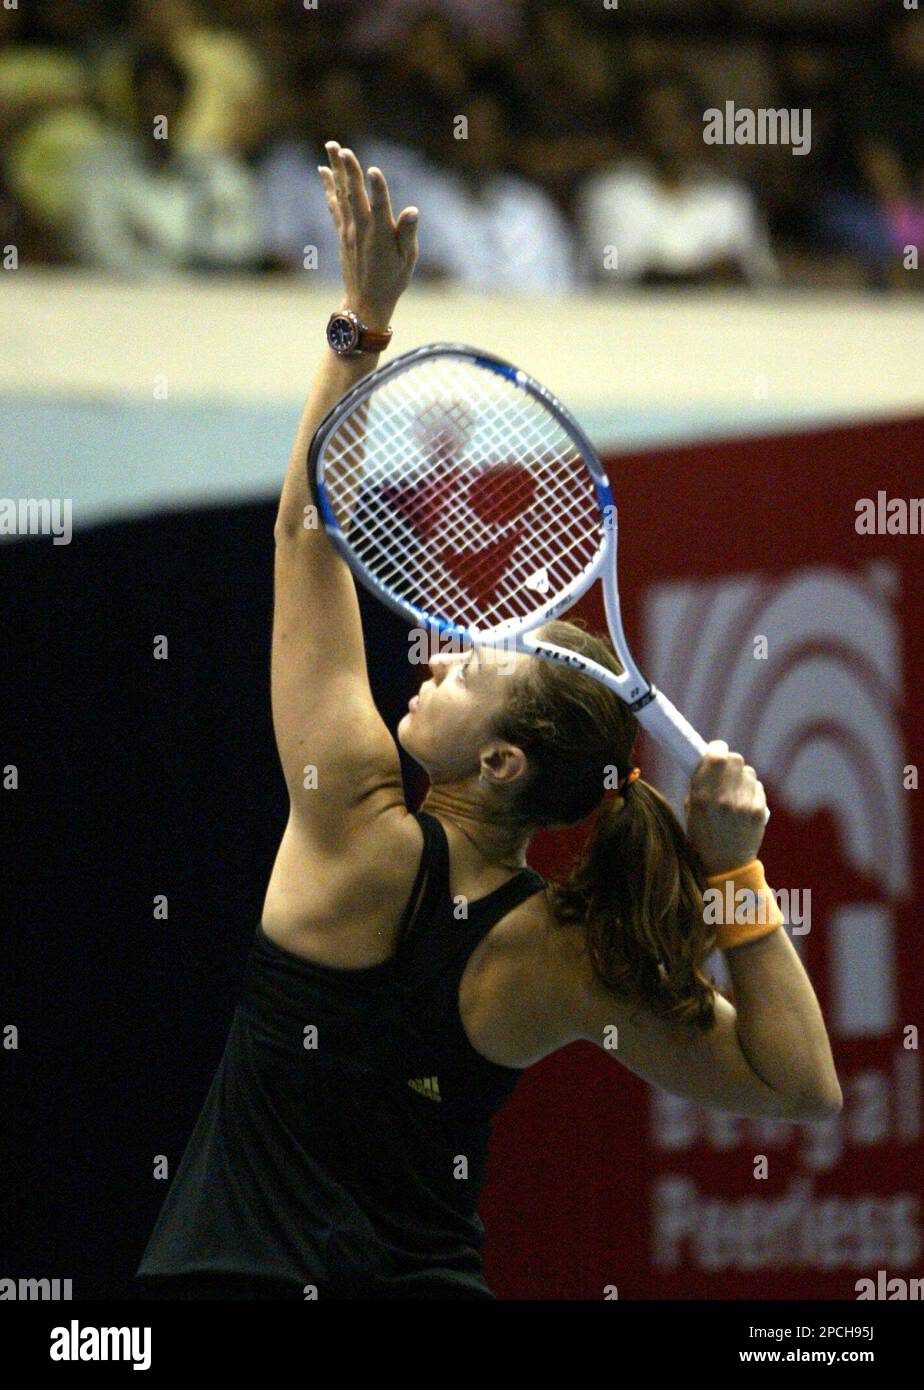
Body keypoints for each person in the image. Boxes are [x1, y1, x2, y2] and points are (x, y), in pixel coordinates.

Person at [134, 145, 841, 1300]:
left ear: (502, 760)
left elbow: (307, 538)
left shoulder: (355, 824)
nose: (445, 650)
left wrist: (362, 321)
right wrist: (737, 869)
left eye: (478, 664)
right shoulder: (572, 958)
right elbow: (797, 1086)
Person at [72, 46, 262, 276]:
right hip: (127, 303)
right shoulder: (100, 172)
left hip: (209, 303)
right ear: (132, 103)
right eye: (148, 102)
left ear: (183, 104)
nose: (157, 114)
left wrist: (158, 247)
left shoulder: (220, 172)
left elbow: (240, 248)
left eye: (165, 101)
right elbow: (104, 253)